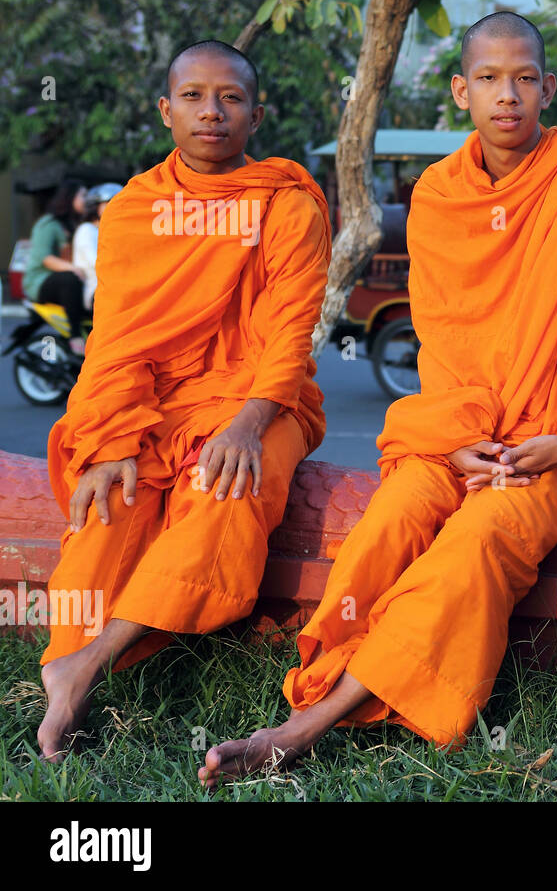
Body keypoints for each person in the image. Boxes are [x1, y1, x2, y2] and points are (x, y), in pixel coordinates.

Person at [198, 11, 557, 787]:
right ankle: (338, 675)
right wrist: (450, 445)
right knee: (392, 518)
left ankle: (305, 723)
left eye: (524, 78)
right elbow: (444, 341)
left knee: (477, 541)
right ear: (461, 91)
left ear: (547, 87)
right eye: (488, 79)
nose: (507, 96)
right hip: (460, 427)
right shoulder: (440, 196)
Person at [36, 39, 331, 763]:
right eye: (194, 96)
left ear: (255, 115)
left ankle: (87, 664)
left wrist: (247, 422)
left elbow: (290, 337)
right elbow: (118, 341)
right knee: (110, 505)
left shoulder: (287, 206)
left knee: (228, 485)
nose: (212, 111)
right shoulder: (136, 209)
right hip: (154, 405)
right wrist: (110, 441)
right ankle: (70, 655)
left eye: (230, 98)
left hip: (265, 397)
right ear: (166, 111)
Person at [23, 179, 89, 353]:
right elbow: (44, 258)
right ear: (69, 198)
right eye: (83, 195)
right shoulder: (48, 224)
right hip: (40, 281)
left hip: (69, 281)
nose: (86, 199)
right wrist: (73, 269)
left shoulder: (78, 225)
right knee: (70, 279)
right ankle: (75, 336)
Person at [71, 183, 123, 313]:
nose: (114, 207)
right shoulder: (87, 230)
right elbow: (98, 263)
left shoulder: (117, 231)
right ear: (96, 206)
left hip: (119, 287)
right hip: (97, 291)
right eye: (108, 203)